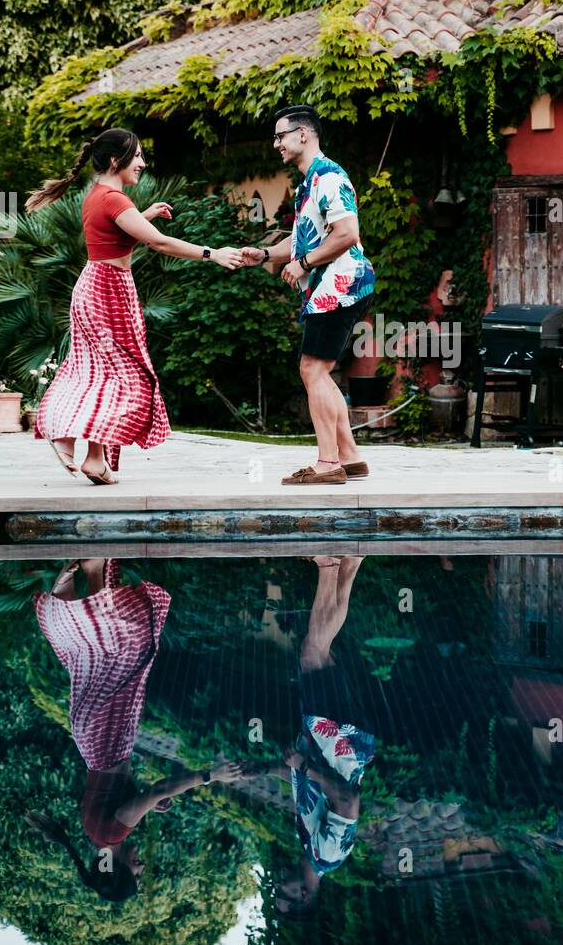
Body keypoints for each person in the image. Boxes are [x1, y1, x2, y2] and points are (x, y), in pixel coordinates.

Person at [26, 128, 243, 484]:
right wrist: (213, 253)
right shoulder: (114, 199)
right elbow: (160, 244)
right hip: (107, 292)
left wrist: (144, 215)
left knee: (102, 373)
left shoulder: (99, 195)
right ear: (117, 160)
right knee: (125, 377)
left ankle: (92, 457)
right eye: (137, 155)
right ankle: (61, 430)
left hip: (98, 288)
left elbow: (114, 236)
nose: (142, 162)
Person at [25, 558, 245, 901]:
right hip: (93, 738)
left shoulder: (111, 835)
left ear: (117, 871)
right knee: (102, 657)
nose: (141, 867)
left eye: (136, 875)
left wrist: (211, 775)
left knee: (129, 646)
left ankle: (91, 574)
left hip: (105, 739)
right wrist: (146, 803)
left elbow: (160, 789)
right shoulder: (97, 834)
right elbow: (134, 794)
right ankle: (74, 587)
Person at [242, 105, 375, 485]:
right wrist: (264, 254)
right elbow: (304, 239)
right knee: (319, 371)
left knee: (312, 369)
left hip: (340, 283)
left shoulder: (329, 177)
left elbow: (347, 233)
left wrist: (304, 263)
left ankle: (328, 463)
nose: (276, 144)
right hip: (335, 285)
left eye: (280, 136)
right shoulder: (310, 182)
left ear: (303, 134)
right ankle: (349, 457)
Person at [269, 555, 376, 919]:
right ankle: (329, 565)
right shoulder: (327, 857)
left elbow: (310, 789)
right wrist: (305, 766)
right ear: (303, 895)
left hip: (337, 743)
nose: (278, 884)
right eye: (283, 893)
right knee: (312, 653)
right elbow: (347, 800)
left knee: (319, 652)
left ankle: (351, 563)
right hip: (340, 746)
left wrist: (267, 769)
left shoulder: (310, 847)